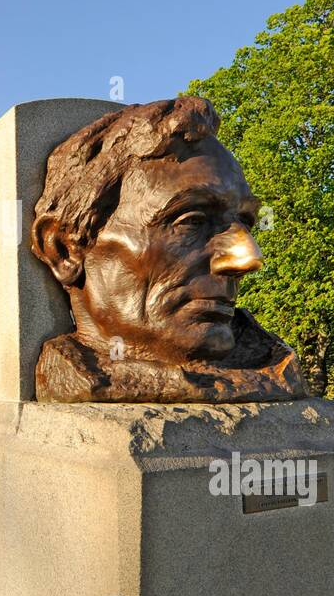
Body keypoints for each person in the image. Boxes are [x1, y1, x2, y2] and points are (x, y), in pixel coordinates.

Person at [29, 96, 306, 403]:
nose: (247, 258)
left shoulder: (275, 367)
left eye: (245, 222)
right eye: (192, 221)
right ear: (64, 248)